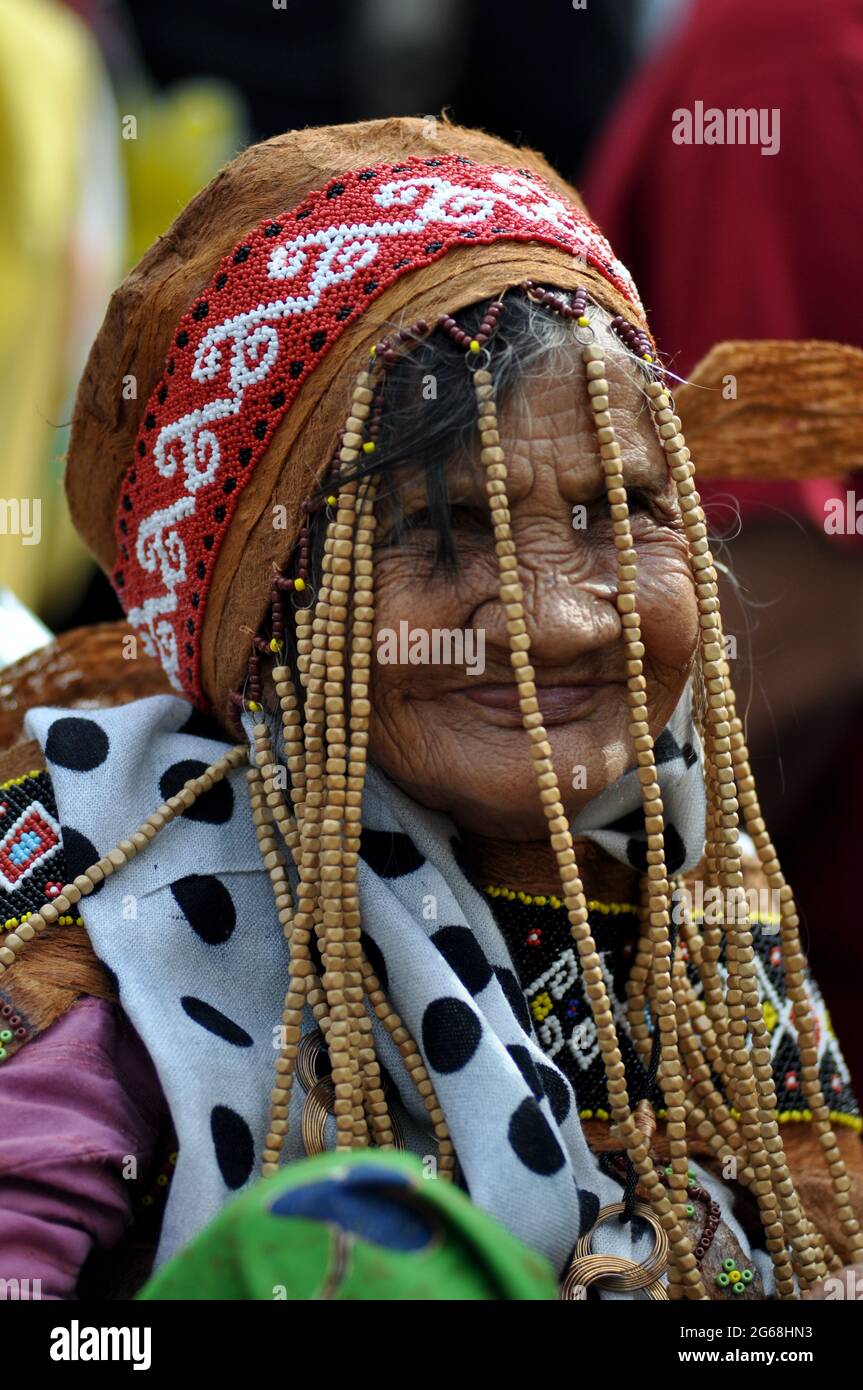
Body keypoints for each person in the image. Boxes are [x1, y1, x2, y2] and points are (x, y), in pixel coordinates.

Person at [0, 116, 861, 1302]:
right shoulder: (111, 902)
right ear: (264, 608)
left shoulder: (698, 885)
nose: (556, 617)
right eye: (437, 535)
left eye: (619, 509)